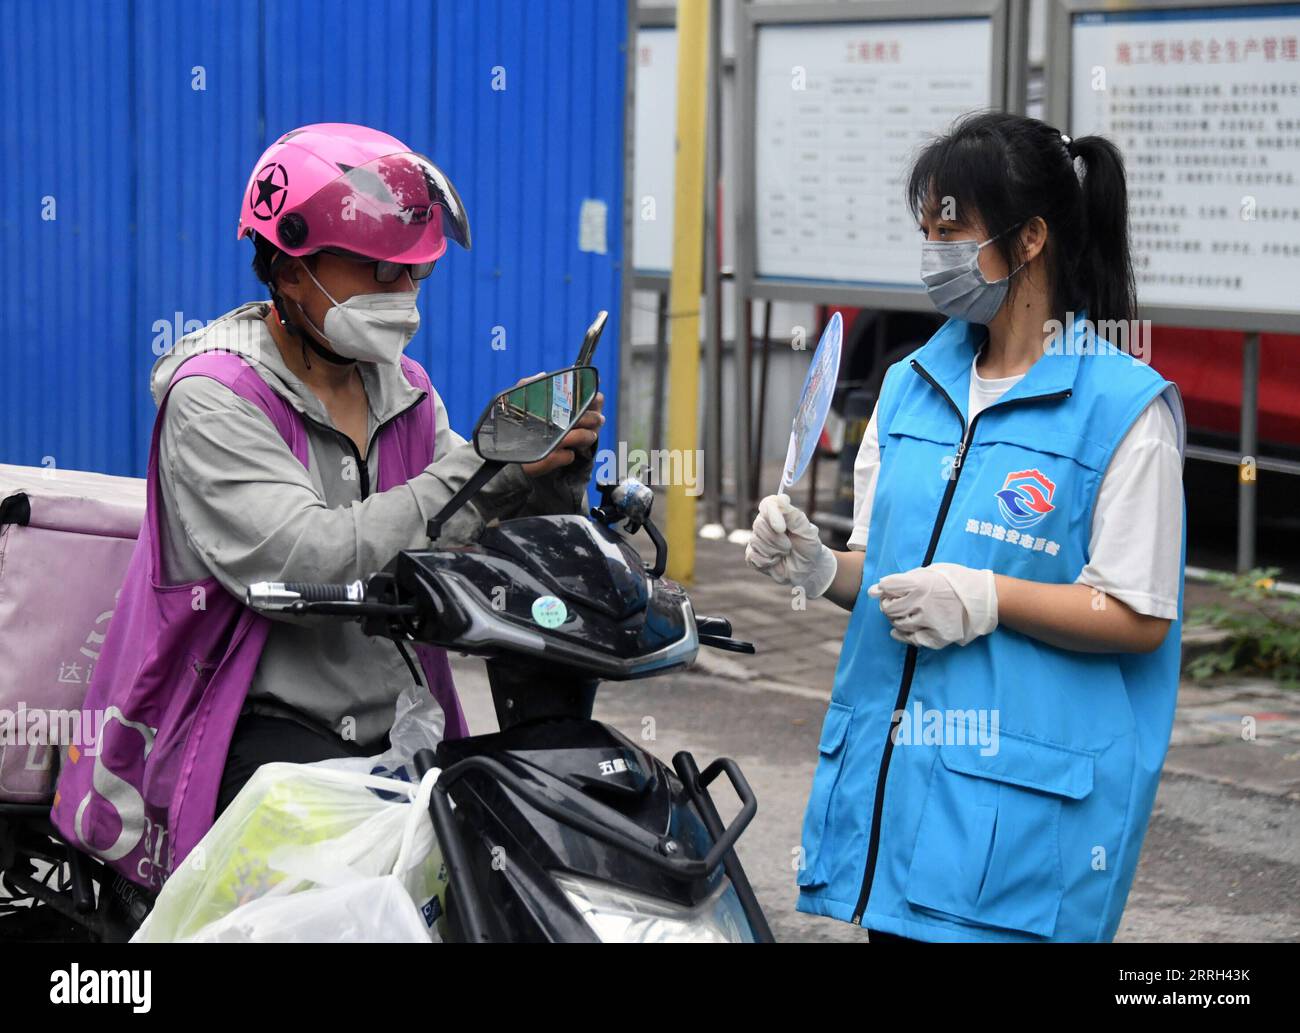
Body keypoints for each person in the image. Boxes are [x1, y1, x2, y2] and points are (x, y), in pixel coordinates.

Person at [51, 123, 603, 890]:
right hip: (254, 724)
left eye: (414, 276)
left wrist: (545, 478)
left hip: (394, 718)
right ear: (289, 266)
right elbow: (310, 562)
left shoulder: (402, 387)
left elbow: (461, 537)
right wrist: (487, 468)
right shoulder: (214, 398)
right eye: (380, 269)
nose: (403, 297)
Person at [746, 112, 1186, 943]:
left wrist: (989, 596)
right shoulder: (911, 384)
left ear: (1030, 241)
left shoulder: (1123, 409)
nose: (933, 252)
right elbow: (886, 574)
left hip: (1016, 839)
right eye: (925, 230)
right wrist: (815, 567)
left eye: (951, 228)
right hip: (895, 821)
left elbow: (1139, 615)